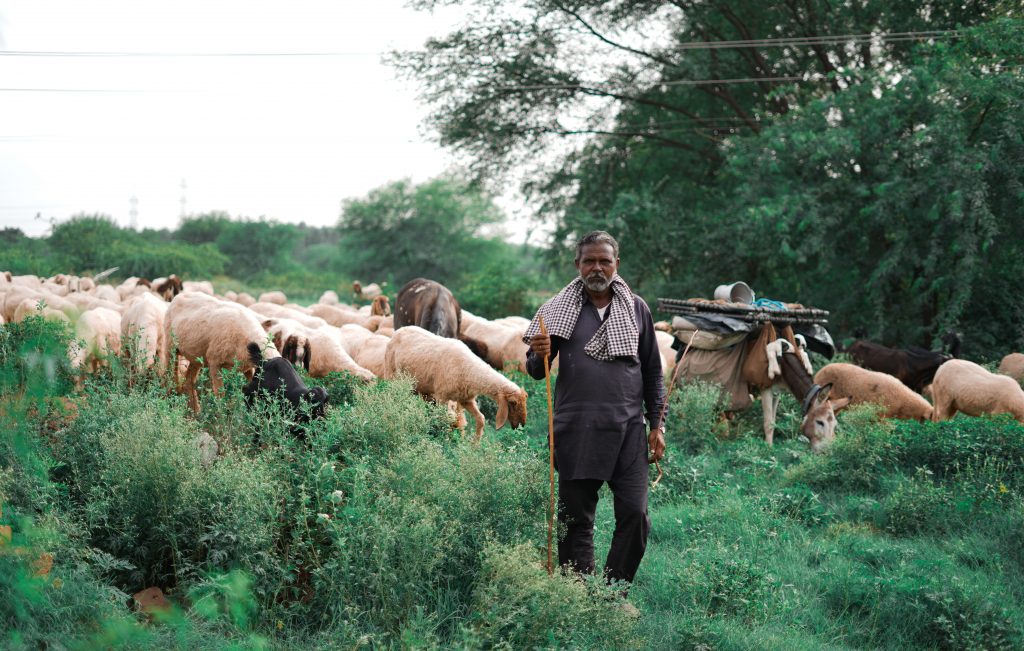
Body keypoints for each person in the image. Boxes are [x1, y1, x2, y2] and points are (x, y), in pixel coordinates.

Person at [523, 230, 666, 602]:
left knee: (635, 515)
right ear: (578, 265)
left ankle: (611, 594)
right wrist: (540, 352)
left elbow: (652, 372)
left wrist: (658, 425)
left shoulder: (636, 308)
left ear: (616, 264)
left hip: (628, 431)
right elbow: (537, 371)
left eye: (605, 260)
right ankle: (579, 596)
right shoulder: (556, 310)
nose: (597, 267)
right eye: (590, 260)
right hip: (576, 429)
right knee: (575, 523)